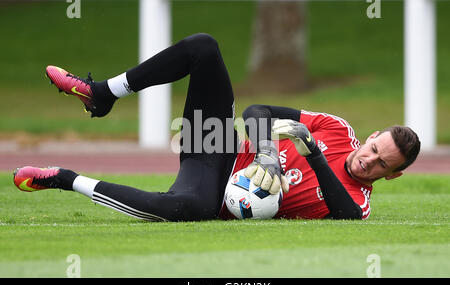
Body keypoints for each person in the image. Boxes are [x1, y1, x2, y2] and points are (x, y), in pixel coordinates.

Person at [13, 33, 421, 221]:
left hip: (214, 193)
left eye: (381, 164)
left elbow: (345, 214)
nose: (368, 161)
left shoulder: (359, 203)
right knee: (204, 48)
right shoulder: (334, 127)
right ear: (371, 137)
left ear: (393, 174)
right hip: (215, 146)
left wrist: (312, 154)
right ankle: (102, 92)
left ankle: (64, 179)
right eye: (373, 148)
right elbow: (257, 109)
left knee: (187, 209)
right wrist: (266, 153)